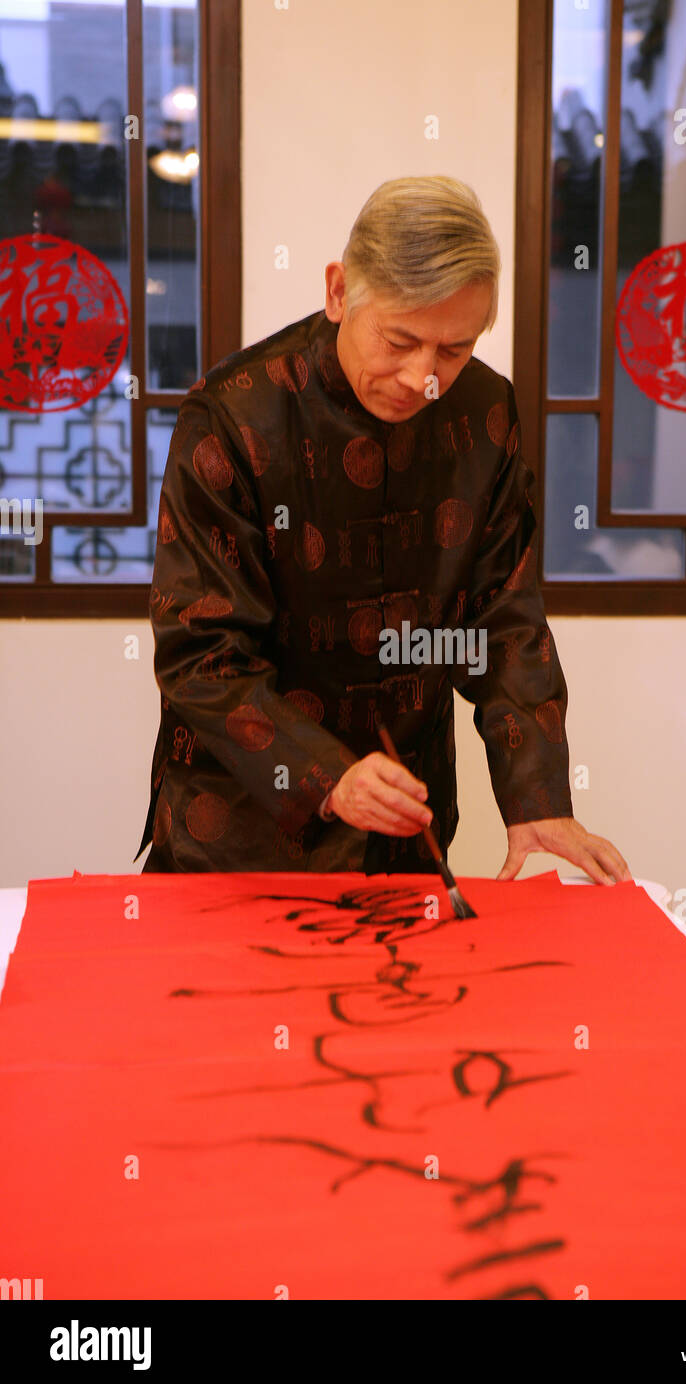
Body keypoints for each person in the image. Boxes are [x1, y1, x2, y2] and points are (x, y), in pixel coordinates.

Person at [135, 175, 631, 885]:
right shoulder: (234, 418)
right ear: (339, 292)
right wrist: (325, 777)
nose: (422, 378)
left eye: (454, 351)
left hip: (405, 830)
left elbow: (504, 622)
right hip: (242, 832)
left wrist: (537, 798)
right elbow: (201, 653)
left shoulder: (485, 415)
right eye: (400, 340)